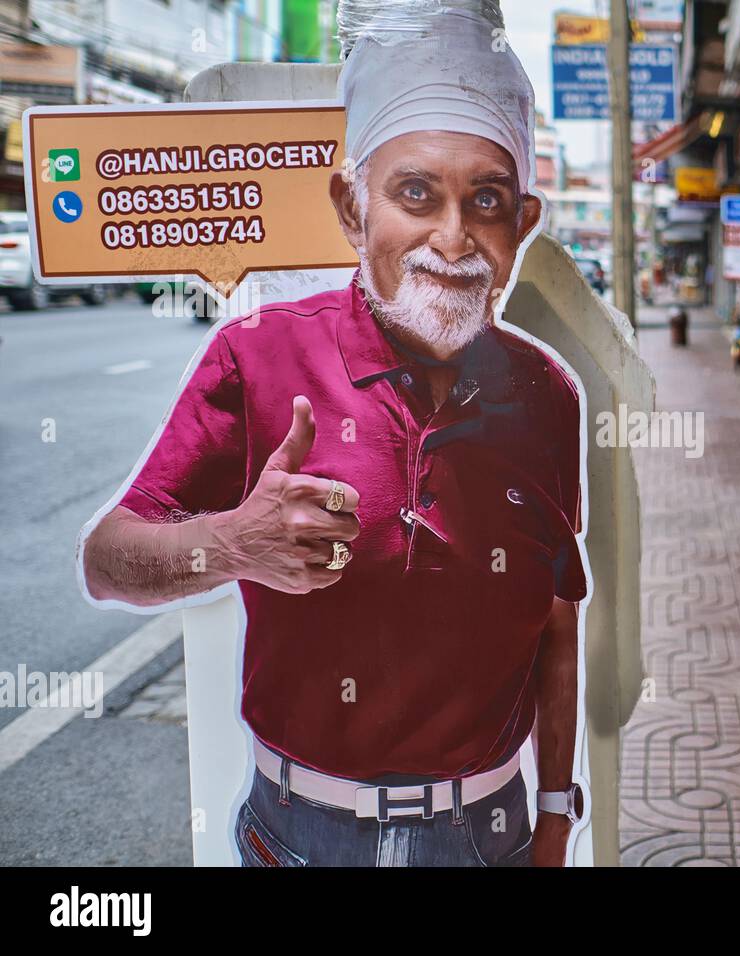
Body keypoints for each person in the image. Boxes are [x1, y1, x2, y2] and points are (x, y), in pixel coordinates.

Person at [78, 1, 587, 865]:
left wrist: (554, 816)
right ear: (352, 209)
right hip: (300, 835)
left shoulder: (548, 393)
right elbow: (107, 560)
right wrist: (232, 544)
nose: (452, 237)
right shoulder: (257, 357)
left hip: (490, 831)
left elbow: (555, 622)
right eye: (416, 193)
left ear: (521, 229)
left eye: (488, 200)